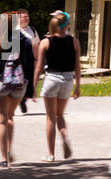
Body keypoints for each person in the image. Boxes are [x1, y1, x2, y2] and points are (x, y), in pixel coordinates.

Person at [0, 11, 34, 168]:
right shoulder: (24, 41)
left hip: (0, 83)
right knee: (10, 117)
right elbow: (29, 66)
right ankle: (9, 150)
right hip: (19, 84)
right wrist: (30, 90)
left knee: (2, 120)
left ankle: (4, 158)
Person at [35, 13, 82, 161]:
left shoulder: (45, 42)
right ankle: (65, 136)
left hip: (52, 79)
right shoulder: (74, 41)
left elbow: (39, 67)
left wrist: (33, 86)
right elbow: (77, 66)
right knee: (60, 115)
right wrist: (78, 86)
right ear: (67, 25)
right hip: (68, 79)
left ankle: (50, 154)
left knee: (50, 118)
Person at [17, 9, 39, 114]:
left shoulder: (32, 30)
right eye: (24, 17)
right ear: (18, 19)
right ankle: (14, 101)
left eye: (27, 17)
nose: (26, 19)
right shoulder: (13, 31)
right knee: (17, 82)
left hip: (30, 61)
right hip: (18, 61)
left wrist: (38, 59)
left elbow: (37, 45)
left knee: (29, 82)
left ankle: (23, 100)